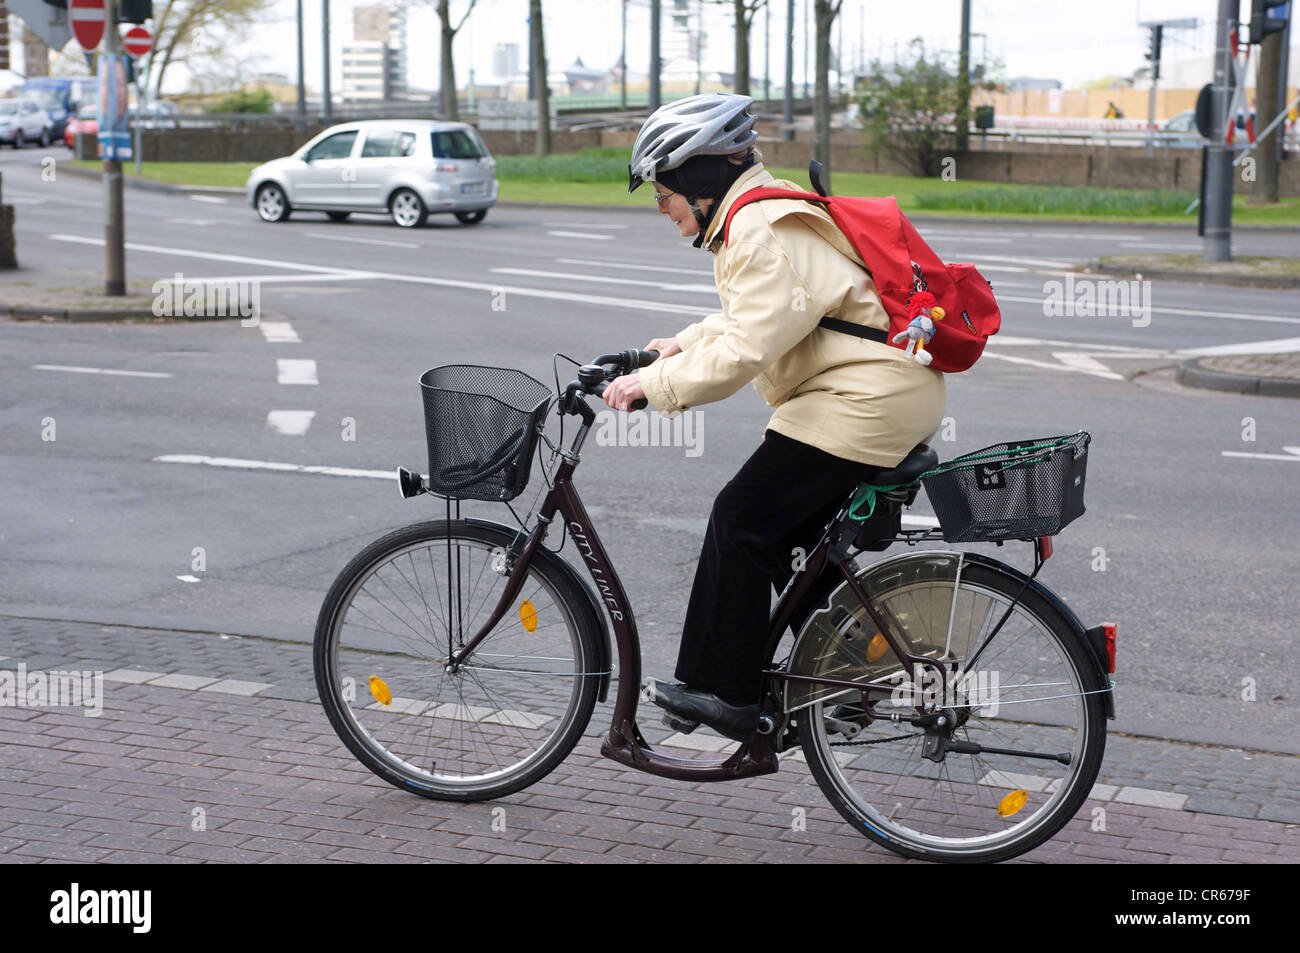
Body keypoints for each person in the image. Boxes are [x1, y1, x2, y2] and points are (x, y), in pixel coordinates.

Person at [603, 93, 946, 742]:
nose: (661, 207)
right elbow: (764, 317)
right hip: (880, 391)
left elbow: (746, 349)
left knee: (740, 518)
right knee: (795, 547)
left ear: (697, 179)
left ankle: (728, 695)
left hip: (860, 402)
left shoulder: (758, 228)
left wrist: (651, 386)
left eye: (662, 191)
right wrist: (683, 342)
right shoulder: (761, 214)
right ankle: (854, 678)